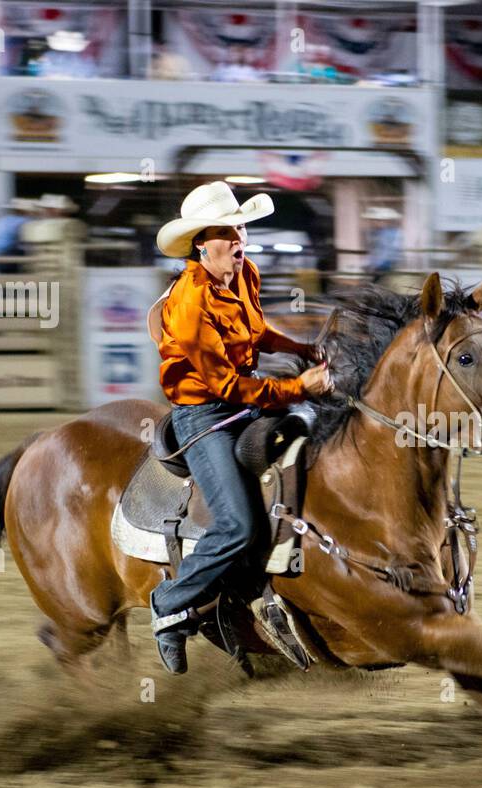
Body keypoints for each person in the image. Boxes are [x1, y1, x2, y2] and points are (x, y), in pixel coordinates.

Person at [148, 181, 335, 673]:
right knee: (236, 523)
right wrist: (300, 387)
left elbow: (257, 331)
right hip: (205, 416)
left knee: (320, 433)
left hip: (242, 399)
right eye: (227, 231)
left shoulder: (243, 274)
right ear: (199, 245)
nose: (239, 238)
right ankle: (169, 605)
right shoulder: (188, 304)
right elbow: (225, 385)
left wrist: (299, 350)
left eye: (240, 227)